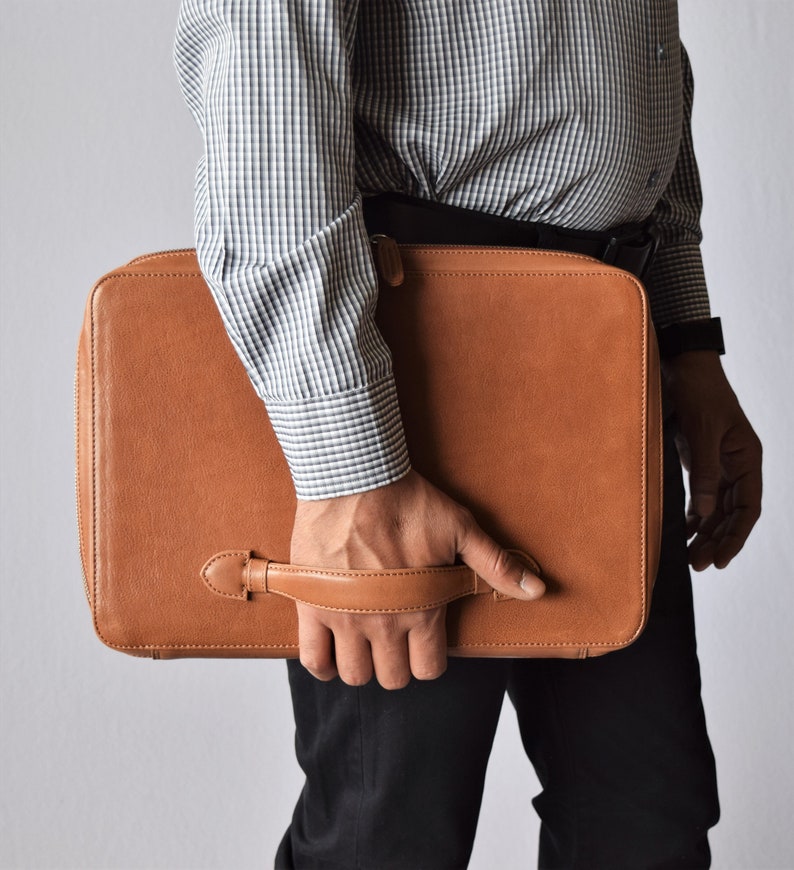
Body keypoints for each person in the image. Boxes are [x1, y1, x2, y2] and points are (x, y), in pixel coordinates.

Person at [174, 2, 762, 866]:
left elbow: (645, 61)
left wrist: (685, 340)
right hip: (408, 358)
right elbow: (267, 105)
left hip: (603, 343)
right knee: (387, 836)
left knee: (647, 820)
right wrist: (349, 465)